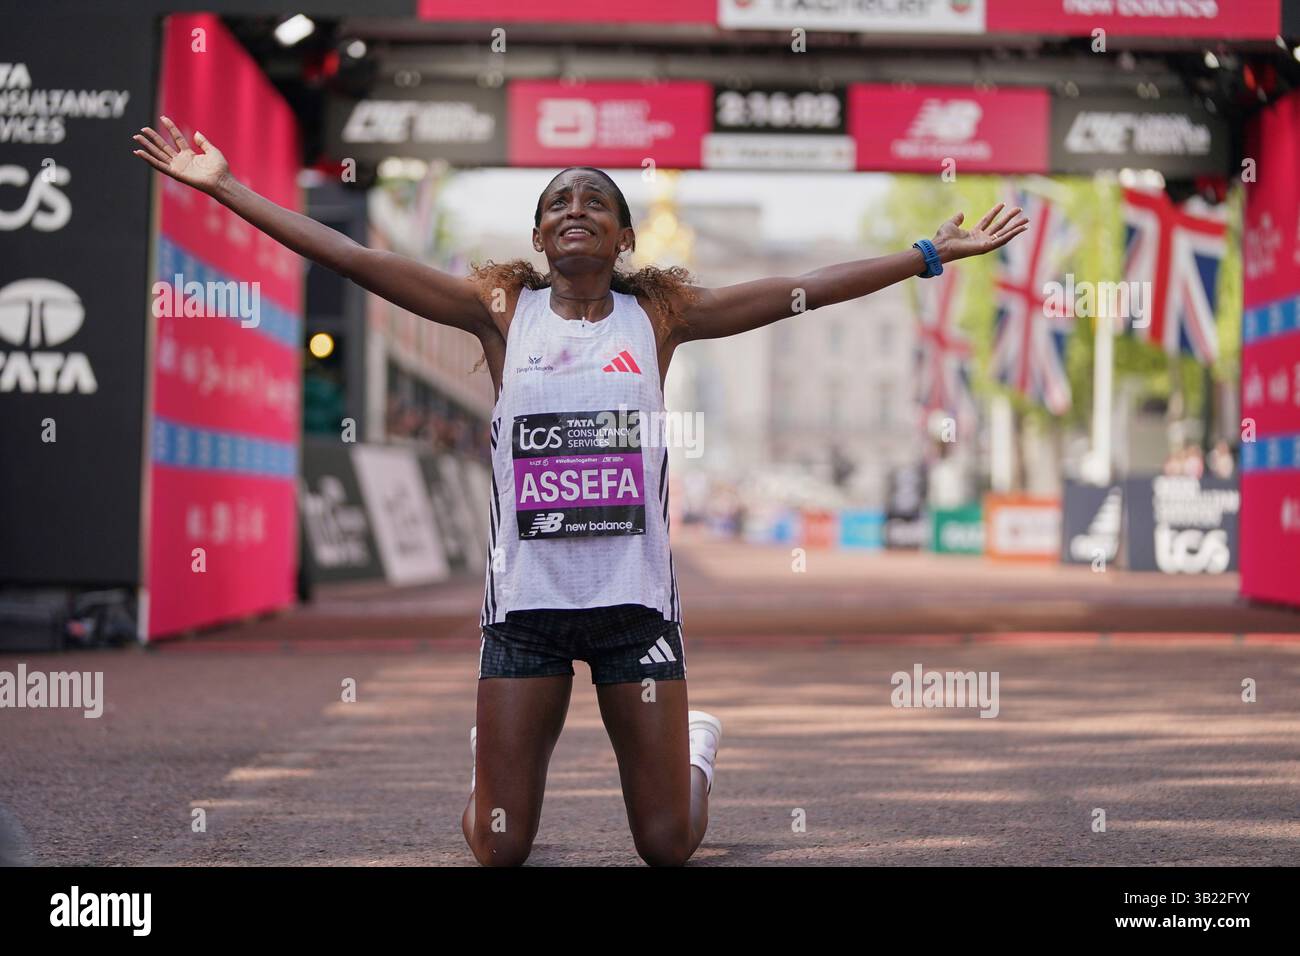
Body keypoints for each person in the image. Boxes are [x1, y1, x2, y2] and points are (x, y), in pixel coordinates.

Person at [132, 116, 1028, 866]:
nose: (575, 210)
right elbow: (352, 257)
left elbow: (799, 291)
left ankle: (696, 745)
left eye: (595, 201)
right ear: (537, 236)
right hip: (526, 610)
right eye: (558, 201)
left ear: (624, 237)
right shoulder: (499, 315)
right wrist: (224, 188)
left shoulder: (662, 317)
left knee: (668, 846)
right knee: (498, 846)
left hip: (634, 610)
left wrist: (922, 254)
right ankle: (494, 760)